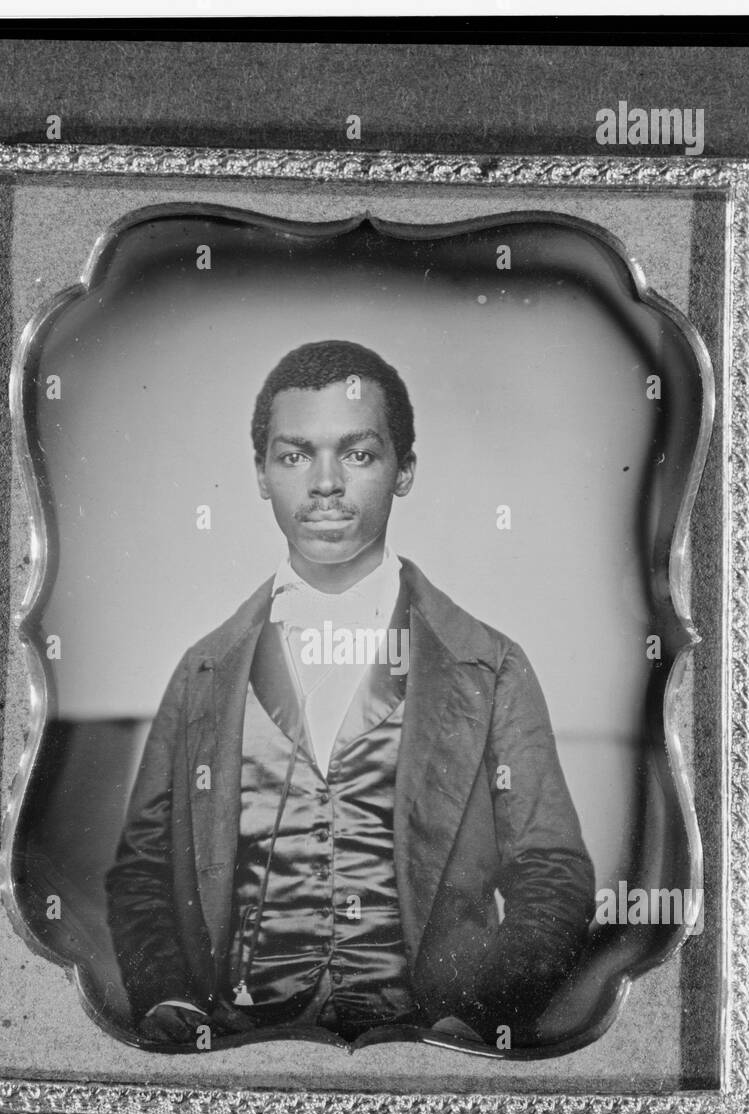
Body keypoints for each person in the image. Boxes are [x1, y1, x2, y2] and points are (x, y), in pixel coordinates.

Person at [106, 340, 594, 1048]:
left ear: (405, 471)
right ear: (260, 473)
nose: (326, 483)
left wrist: (480, 1016)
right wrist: (171, 1001)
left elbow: (552, 873)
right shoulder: (202, 671)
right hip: (240, 1049)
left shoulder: (491, 666)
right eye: (296, 454)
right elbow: (142, 871)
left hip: (430, 1050)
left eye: (359, 454)